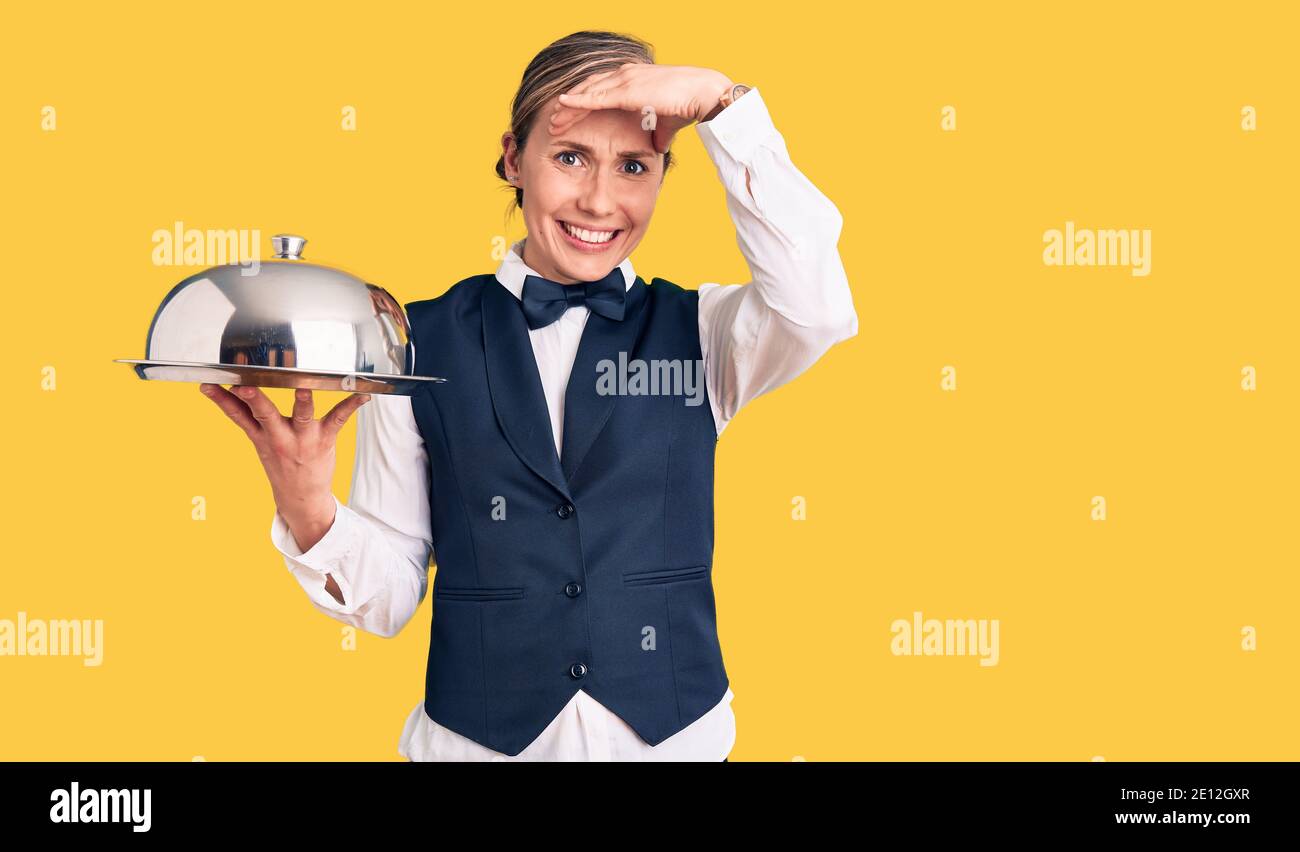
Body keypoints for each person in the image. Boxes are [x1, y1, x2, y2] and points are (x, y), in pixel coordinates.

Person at [200, 29, 857, 761]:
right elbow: (388, 601)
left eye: (633, 166)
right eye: (570, 157)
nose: (599, 201)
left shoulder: (704, 333)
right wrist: (307, 506)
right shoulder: (413, 342)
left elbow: (817, 309)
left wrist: (722, 104)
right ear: (514, 159)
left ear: (663, 176)